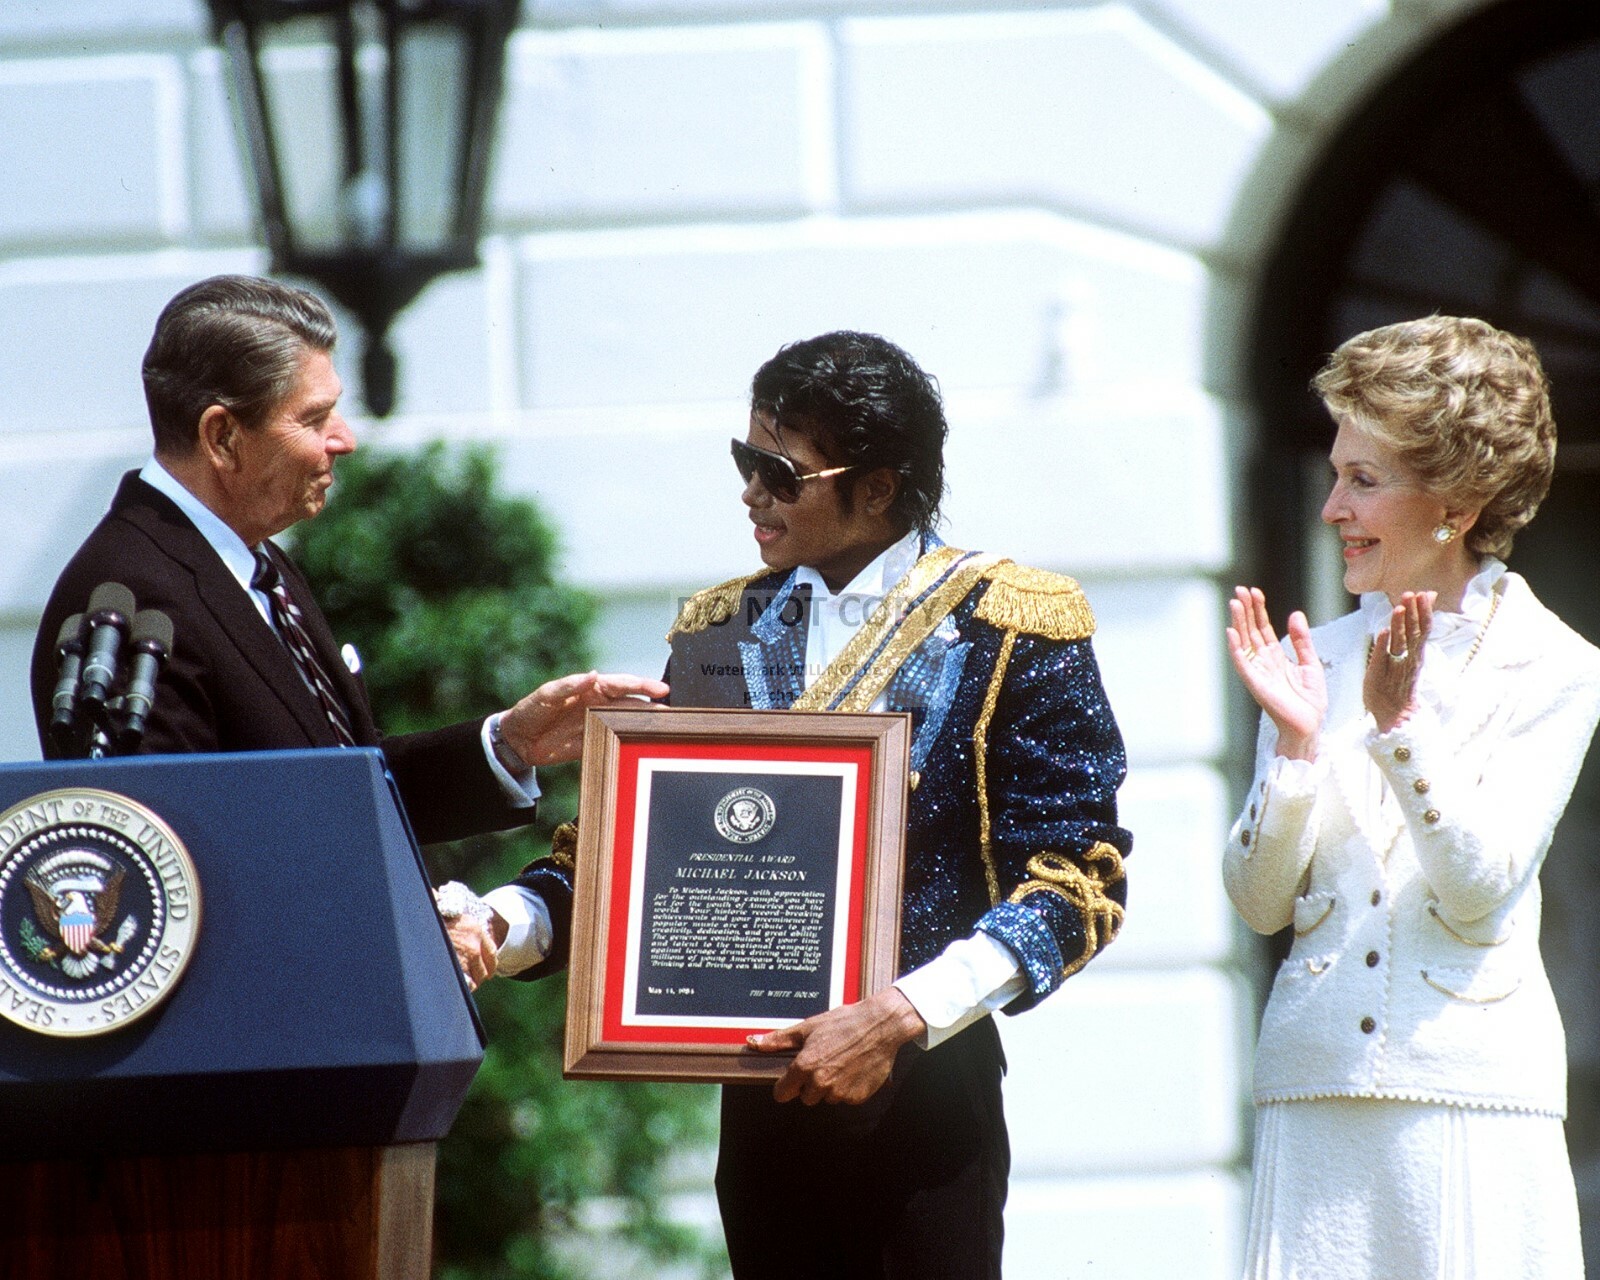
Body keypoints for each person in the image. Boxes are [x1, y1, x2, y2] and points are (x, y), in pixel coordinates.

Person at [450, 331, 1132, 1278]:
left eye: (780, 471)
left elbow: (1077, 883)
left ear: (880, 486)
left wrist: (899, 1014)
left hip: (928, 1085)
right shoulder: (720, 626)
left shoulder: (1012, 622)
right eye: (746, 462)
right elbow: (624, 851)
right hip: (761, 1100)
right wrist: (500, 919)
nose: (751, 493)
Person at [30, 274, 665, 846]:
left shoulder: (251, 563)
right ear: (222, 437)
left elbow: (343, 788)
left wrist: (506, 744)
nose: (346, 438)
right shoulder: (126, 600)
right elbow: (180, 869)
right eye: (314, 418)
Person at [1223, 315, 1600, 1278]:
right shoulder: (1319, 658)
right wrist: (1299, 745)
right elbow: (1262, 904)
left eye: (1365, 480)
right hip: (1313, 1095)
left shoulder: (1555, 665)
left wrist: (1399, 733)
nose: (1331, 509)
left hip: (1469, 1099)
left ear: (1459, 503)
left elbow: (1481, 886)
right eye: (1336, 473)